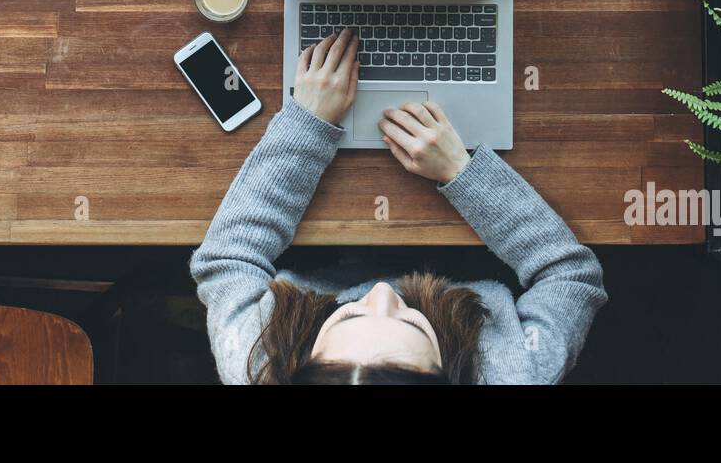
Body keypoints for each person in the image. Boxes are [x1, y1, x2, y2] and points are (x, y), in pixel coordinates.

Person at [190, 28, 607, 384]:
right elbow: (569, 276)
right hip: (472, 267)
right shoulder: (515, 374)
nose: (380, 293)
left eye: (349, 318)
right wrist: (463, 174)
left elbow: (229, 259)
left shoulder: (257, 364)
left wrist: (307, 123)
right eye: (410, 323)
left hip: (317, 257)